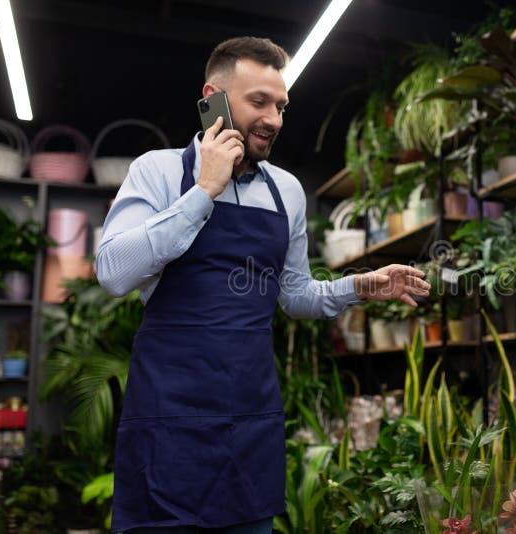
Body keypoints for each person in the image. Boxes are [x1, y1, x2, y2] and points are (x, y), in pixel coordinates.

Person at [95, 36, 430, 533]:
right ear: (213, 97)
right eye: (259, 102)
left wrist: (358, 286)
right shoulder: (158, 171)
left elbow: (294, 297)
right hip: (168, 422)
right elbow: (113, 273)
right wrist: (204, 189)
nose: (273, 118)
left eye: (281, 105)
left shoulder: (287, 192)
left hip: (250, 424)